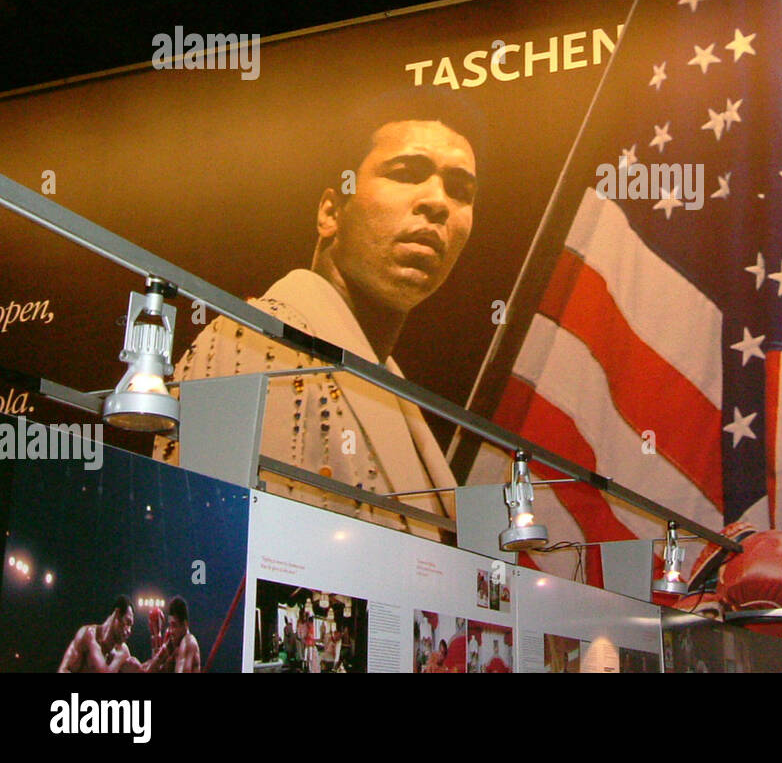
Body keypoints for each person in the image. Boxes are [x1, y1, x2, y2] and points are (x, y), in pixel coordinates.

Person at [157, 92, 482, 534]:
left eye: (460, 191)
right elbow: (205, 545)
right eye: (407, 173)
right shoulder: (249, 342)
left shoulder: (392, 390)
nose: (438, 202)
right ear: (331, 211)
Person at [57, 595, 137, 673]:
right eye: (127, 622)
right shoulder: (87, 635)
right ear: (117, 614)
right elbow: (64, 670)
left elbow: (141, 670)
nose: (129, 631)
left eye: (131, 626)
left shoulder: (123, 652)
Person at [144, 596, 201, 673]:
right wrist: (156, 637)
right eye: (170, 625)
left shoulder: (188, 642)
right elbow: (148, 670)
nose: (171, 631)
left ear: (185, 624)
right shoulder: (172, 645)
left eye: (174, 625)